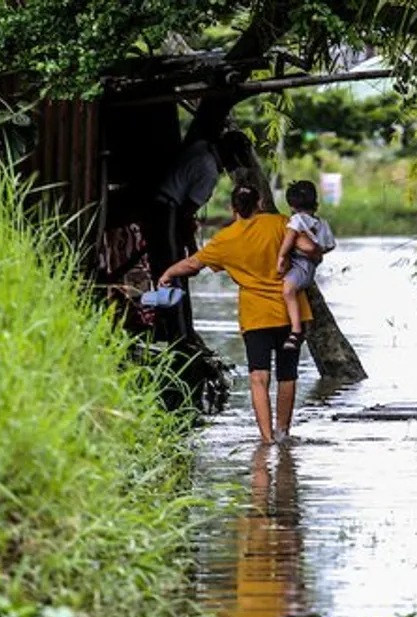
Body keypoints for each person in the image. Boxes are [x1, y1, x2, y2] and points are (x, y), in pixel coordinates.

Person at [158, 183, 310, 445]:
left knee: (258, 376)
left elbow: (194, 264)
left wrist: (168, 273)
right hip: (291, 311)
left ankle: (266, 439)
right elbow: (307, 246)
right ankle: (283, 432)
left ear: (232, 208)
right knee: (288, 375)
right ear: (260, 203)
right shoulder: (280, 223)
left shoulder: (225, 239)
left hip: (256, 316)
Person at [143, 131, 254, 342]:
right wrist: (193, 252)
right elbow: (185, 216)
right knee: (172, 272)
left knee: (163, 270)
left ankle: (164, 327)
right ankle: (177, 335)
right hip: (166, 211)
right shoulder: (209, 172)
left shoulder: (201, 145)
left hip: (159, 206)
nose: (232, 168)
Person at [276, 180, 336, 350]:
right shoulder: (322, 223)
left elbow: (290, 237)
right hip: (310, 266)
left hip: (300, 264)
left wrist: (281, 256)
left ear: (292, 205)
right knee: (290, 290)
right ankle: (296, 329)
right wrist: (317, 252)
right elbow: (330, 245)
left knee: (288, 290)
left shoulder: (297, 219)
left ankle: (295, 330)